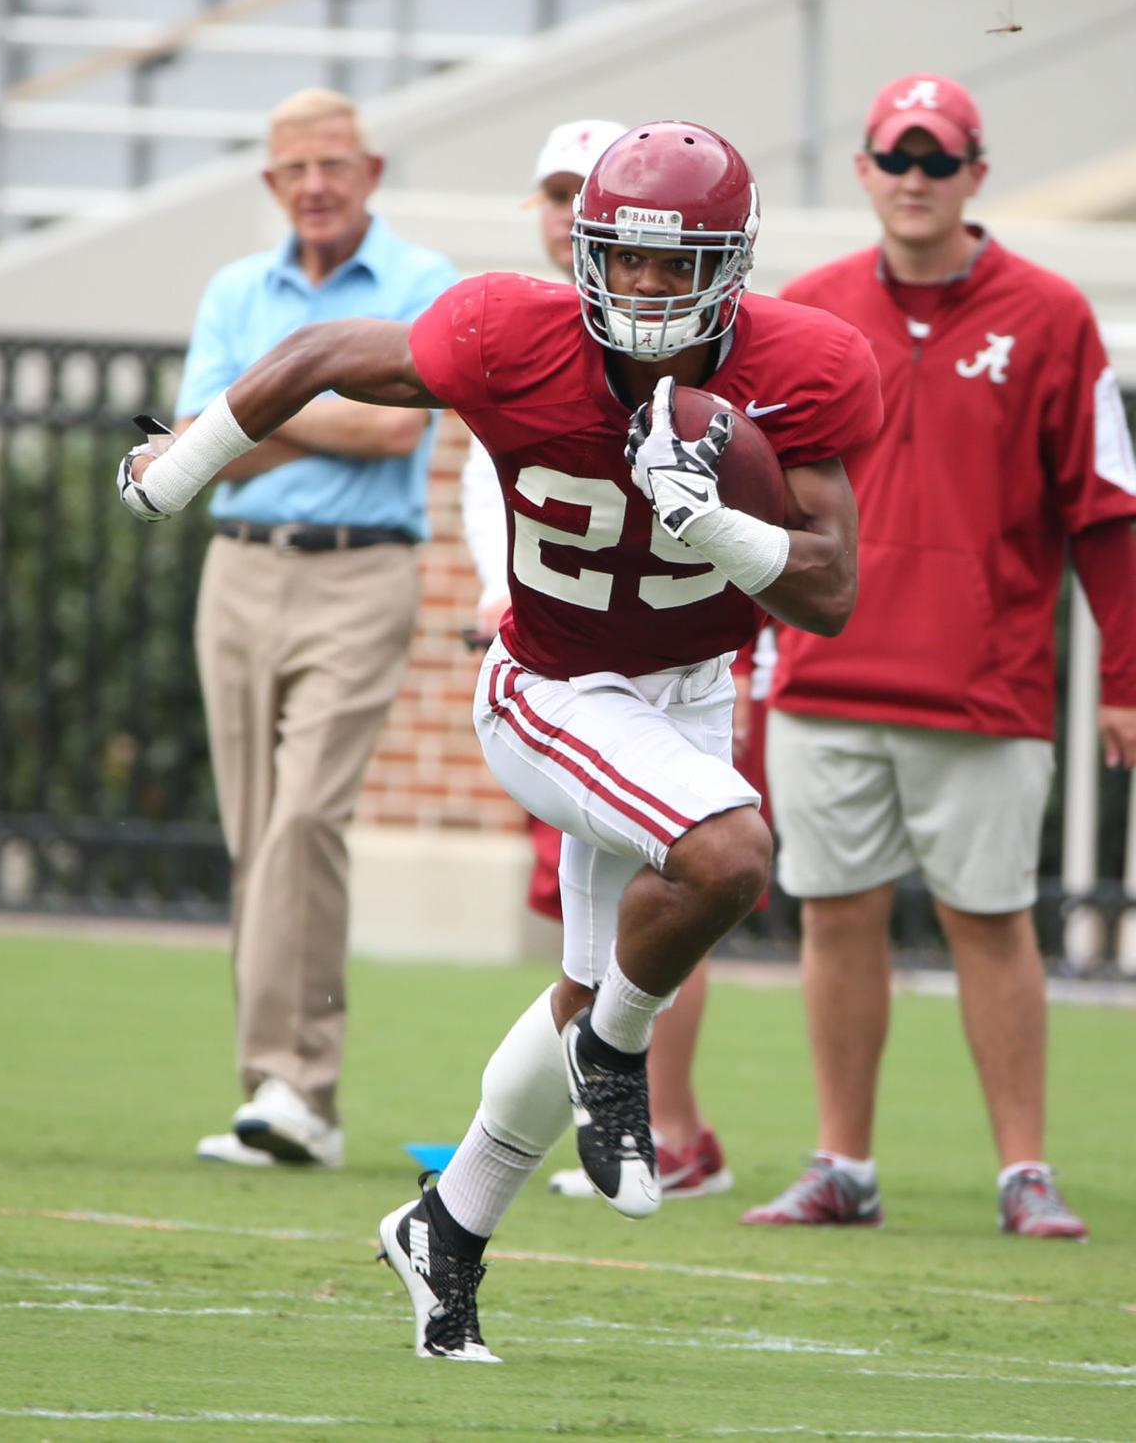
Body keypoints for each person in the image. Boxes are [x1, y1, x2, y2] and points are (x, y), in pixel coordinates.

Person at [118, 119, 882, 1359]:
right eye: (621, 258)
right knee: (733, 857)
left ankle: (449, 1227)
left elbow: (831, 590)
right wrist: (190, 456)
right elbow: (316, 350)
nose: (641, 285)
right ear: (583, 251)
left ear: (730, 261)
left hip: (687, 689)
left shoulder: (802, 363)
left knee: (588, 979)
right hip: (551, 685)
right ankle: (616, 1061)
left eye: (671, 261)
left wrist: (723, 530)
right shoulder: (510, 333)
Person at [741, 73, 1136, 1239]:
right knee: (837, 915)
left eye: (938, 158)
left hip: (988, 684)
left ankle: (1024, 1171)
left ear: (976, 174)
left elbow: (1108, 508)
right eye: (895, 158)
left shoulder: (1054, 314)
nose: (915, 179)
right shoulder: (801, 310)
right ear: (862, 171)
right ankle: (841, 1166)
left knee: (992, 918)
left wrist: (1123, 678)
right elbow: (741, 498)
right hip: (826, 674)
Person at [169, 88, 459, 1169]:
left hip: (361, 574)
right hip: (239, 574)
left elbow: (393, 424)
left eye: (336, 164)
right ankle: (275, 1092)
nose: (318, 185)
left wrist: (256, 413)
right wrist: (275, 418)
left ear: (371, 171)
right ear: (271, 183)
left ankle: (302, 1087)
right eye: (297, 168)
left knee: (302, 823)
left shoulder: (422, 282)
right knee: (256, 833)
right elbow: (197, 439)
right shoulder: (237, 287)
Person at [460, 116, 734, 1200]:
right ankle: (613, 1096)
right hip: (558, 673)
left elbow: (820, 559)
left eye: (605, 202)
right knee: (648, 909)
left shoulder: (759, 356)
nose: (587, 221)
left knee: (657, 912)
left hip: (672, 667)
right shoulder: (503, 334)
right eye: (566, 196)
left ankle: (652, 1123)